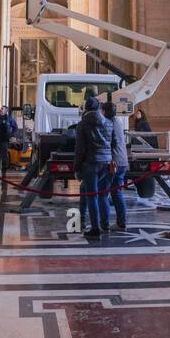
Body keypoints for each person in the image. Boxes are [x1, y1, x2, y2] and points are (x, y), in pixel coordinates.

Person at [74, 97, 114, 236]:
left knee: (92, 196)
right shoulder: (109, 123)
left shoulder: (82, 124)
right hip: (107, 162)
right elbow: (112, 143)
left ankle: (95, 228)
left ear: (86, 108)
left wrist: (77, 168)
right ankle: (106, 225)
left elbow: (80, 149)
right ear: (98, 108)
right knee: (104, 195)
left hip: (91, 163)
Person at [102, 102, 130, 231]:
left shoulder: (108, 123)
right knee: (117, 192)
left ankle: (105, 223)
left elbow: (110, 142)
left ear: (105, 112)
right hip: (123, 160)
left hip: (113, 162)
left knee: (103, 193)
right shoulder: (118, 121)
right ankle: (121, 221)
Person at [0, 105, 18, 176]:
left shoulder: (9, 119)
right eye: (0, 108)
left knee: (4, 157)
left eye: (2, 109)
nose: (1, 110)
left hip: (5, 141)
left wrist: (11, 135)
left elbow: (15, 127)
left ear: (6, 111)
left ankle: (4, 171)